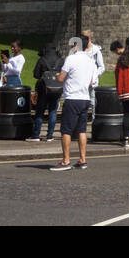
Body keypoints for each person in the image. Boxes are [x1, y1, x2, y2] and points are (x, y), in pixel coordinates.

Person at [51, 35, 95, 171]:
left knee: (66, 130)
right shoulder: (90, 61)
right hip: (85, 98)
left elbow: (61, 78)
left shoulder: (71, 59)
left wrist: (57, 75)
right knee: (82, 130)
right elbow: (90, 82)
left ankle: (66, 161)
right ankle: (82, 159)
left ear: (76, 45)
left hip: (72, 98)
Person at [31, 42, 64, 142]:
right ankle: (50, 135)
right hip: (57, 89)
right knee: (53, 111)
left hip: (43, 89)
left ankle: (36, 135)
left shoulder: (42, 59)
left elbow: (36, 75)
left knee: (40, 112)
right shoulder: (60, 60)